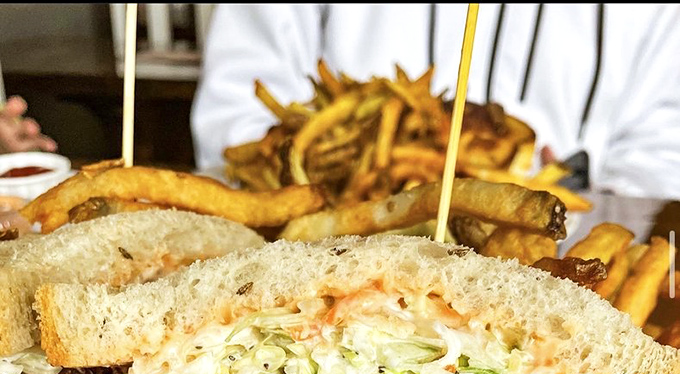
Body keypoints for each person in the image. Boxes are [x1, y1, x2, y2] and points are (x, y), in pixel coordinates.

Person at [192, 3, 680, 198]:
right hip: (329, 251)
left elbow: (664, 152)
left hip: (551, 254)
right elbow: (240, 111)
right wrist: (342, 192)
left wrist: (577, 200)